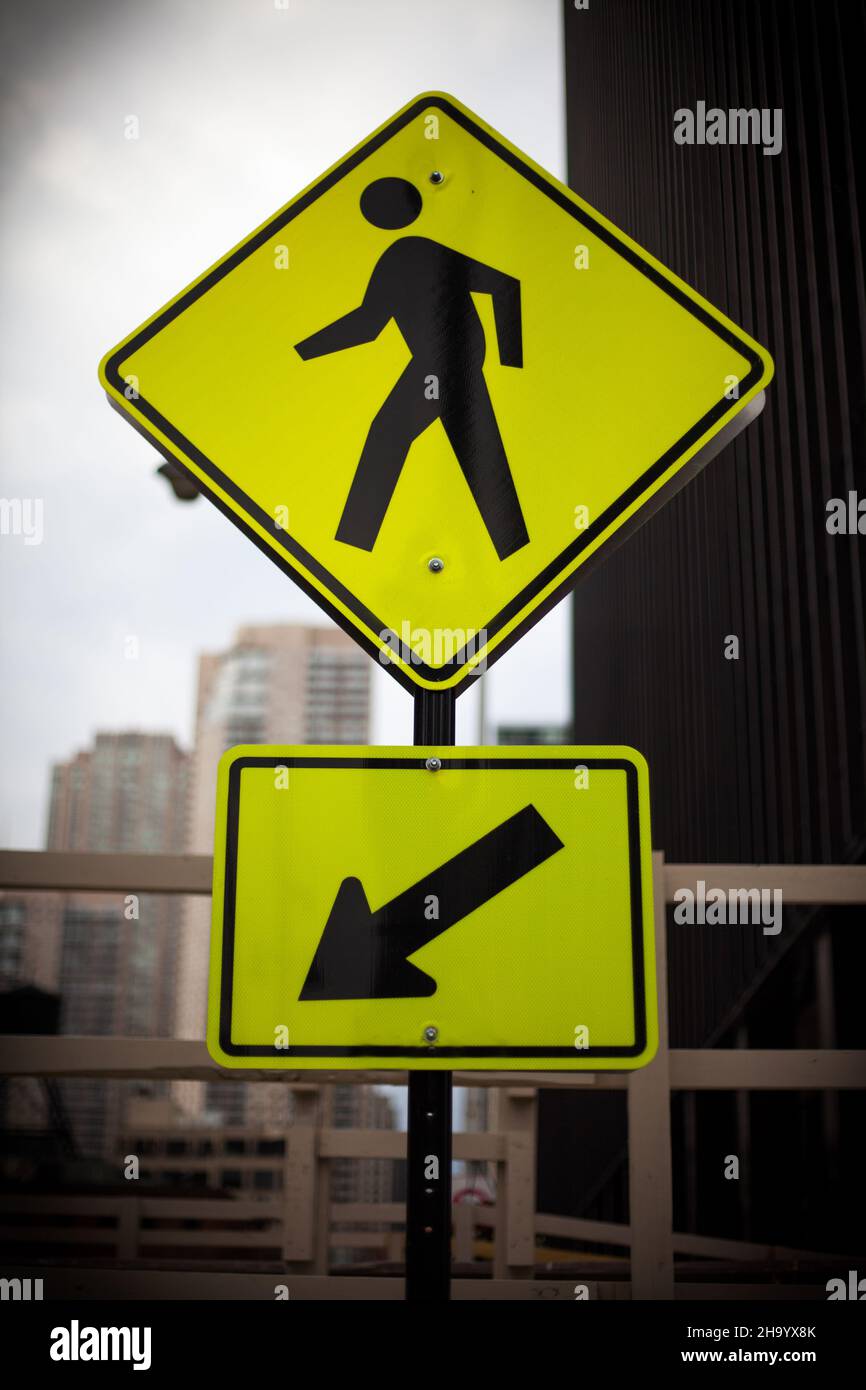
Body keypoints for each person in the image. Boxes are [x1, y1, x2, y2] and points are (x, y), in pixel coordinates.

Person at [295, 176, 529, 560]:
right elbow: (368, 325)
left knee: (388, 434)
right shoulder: (397, 257)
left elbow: (505, 286)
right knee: (478, 453)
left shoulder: (416, 251)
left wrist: (511, 362)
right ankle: (514, 547)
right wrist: (303, 350)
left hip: (446, 363)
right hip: (443, 364)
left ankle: (354, 546)